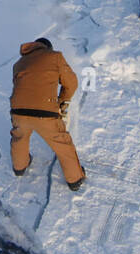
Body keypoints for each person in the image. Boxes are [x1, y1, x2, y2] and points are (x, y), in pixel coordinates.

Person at [10, 37, 86, 190]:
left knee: (20, 137)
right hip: (44, 112)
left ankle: (20, 167)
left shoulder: (18, 64)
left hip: (18, 111)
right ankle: (75, 179)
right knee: (62, 143)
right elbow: (71, 83)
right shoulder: (55, 56)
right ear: (48, 48)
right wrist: (62, 102)